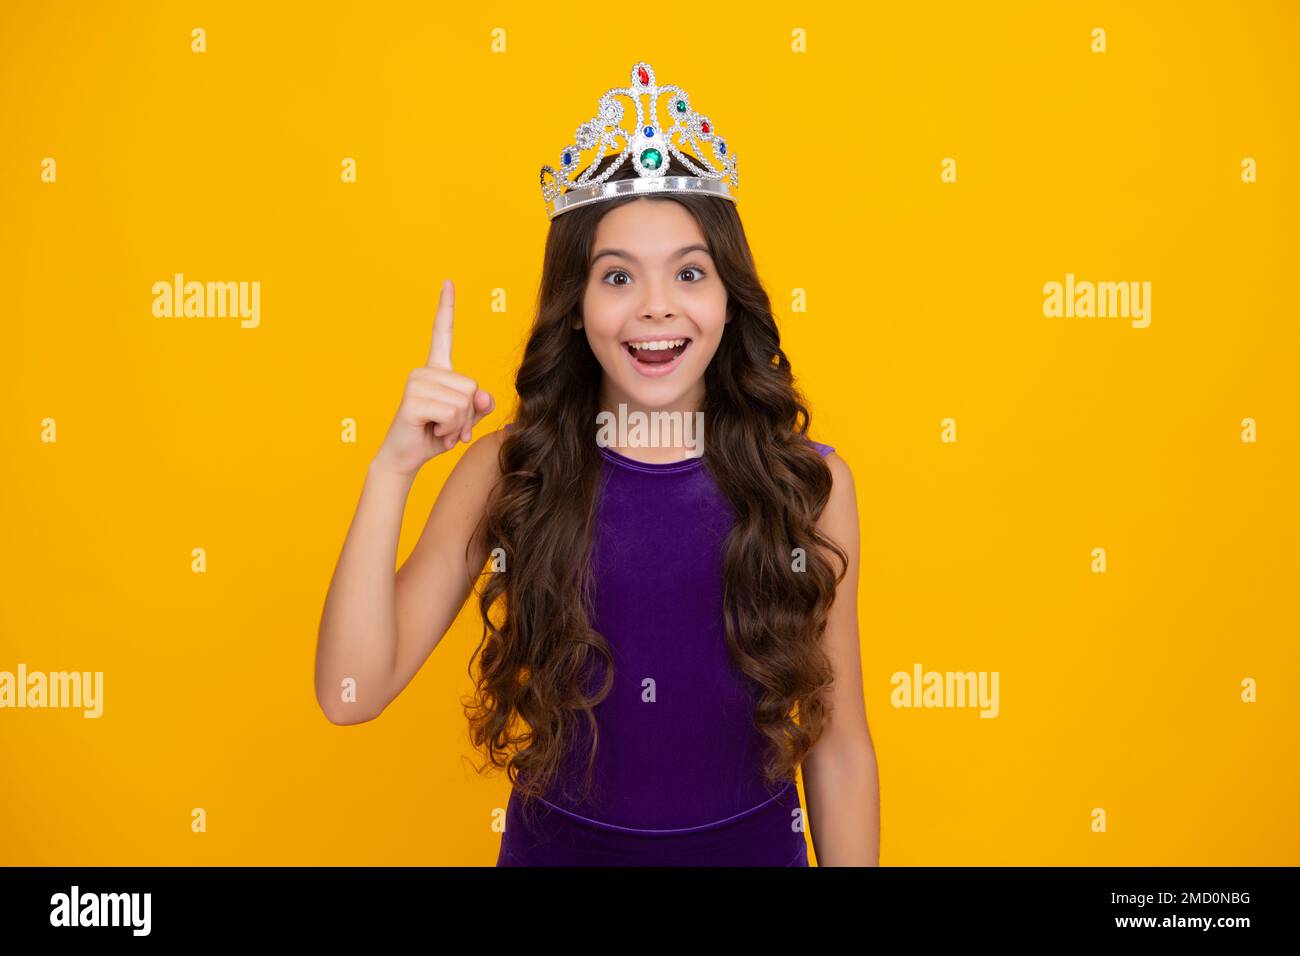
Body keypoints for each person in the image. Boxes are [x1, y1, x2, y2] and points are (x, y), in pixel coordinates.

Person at [315, 61, 880, 866]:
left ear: (729, 298)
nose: (656, 305)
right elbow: (350, 694)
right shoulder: (508, 473)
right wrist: (391, 471)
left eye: (689, 272)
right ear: (575, 308)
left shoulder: (808, 487)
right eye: (618, 276)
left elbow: (839, 746)